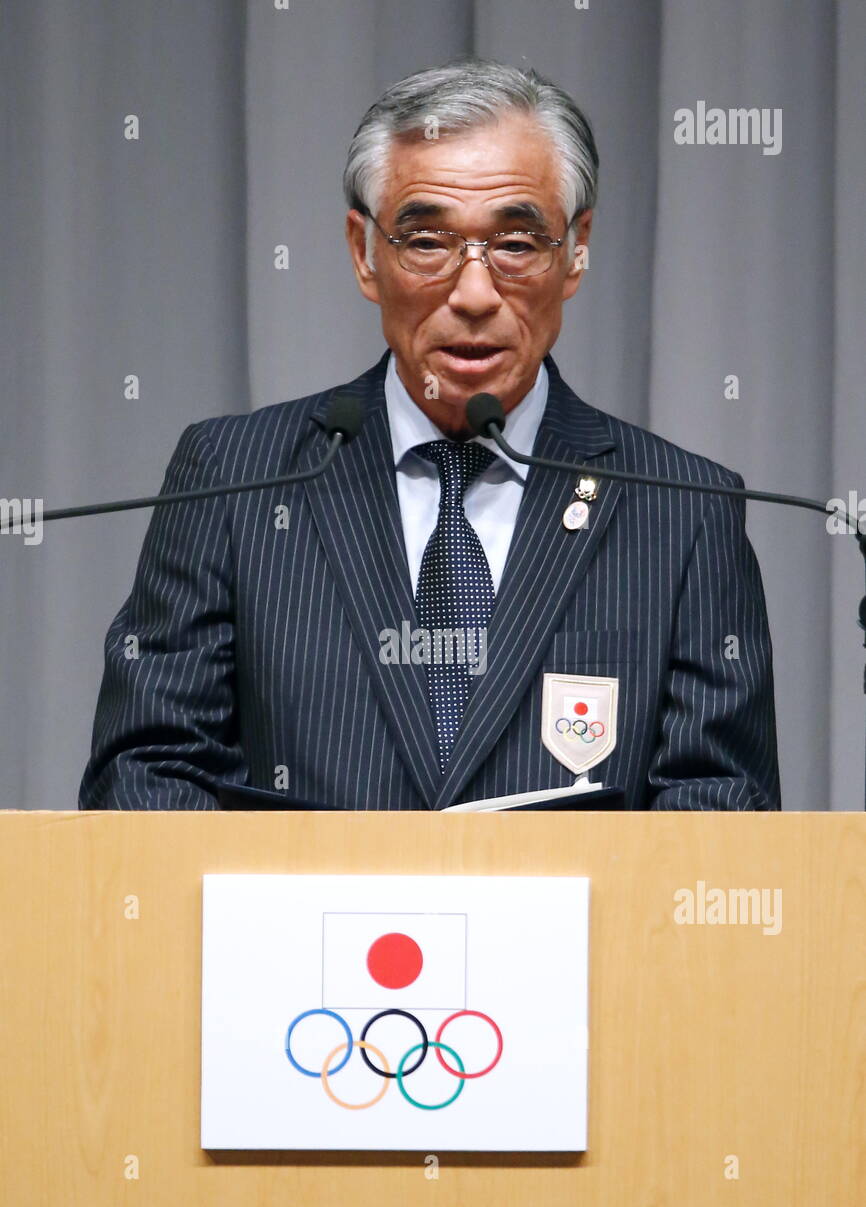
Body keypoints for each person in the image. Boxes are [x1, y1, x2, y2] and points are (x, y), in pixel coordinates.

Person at [79, 58, 780, 811]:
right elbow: (145, 778)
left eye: (515, 242)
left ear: (575, 251)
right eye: (426, 242)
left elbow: (720, 813)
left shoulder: (681, 509)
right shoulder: (237, 478)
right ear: (363, 252)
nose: (473, 293)